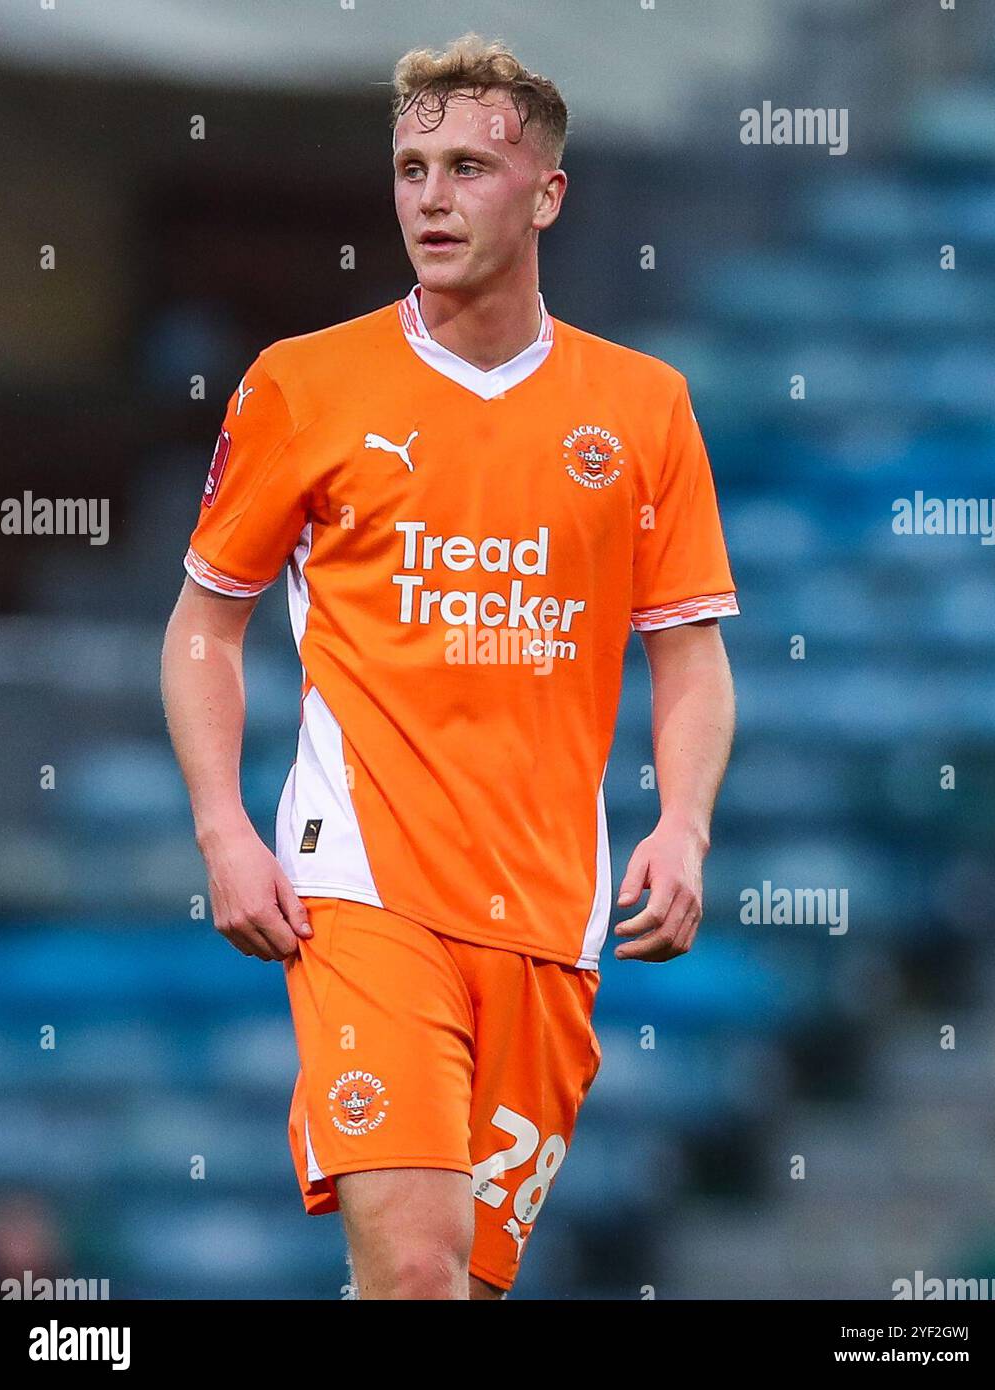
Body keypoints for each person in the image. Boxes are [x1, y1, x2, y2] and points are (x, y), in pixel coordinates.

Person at [161, 32, 738, 1300]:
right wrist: (221, 828)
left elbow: (687, 655)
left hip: (549, 908)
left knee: (457, 1291)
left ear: (546, 194)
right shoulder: (303, 385)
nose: (429, 194)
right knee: (419, 1268)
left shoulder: (641, 407)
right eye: (411, 165)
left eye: (469, 165)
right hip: (362, 884)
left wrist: (683, 827)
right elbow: (205, 622)